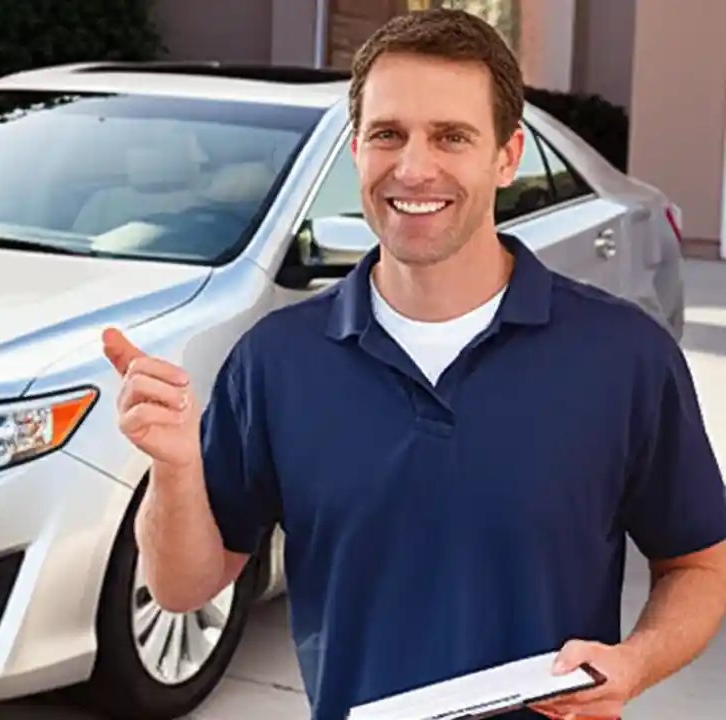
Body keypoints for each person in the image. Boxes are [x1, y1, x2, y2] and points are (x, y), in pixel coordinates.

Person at [101, 8, 726, 720]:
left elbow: (701, 565)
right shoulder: (279, 361)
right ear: (356, 150)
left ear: (506, 155)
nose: (414, 167)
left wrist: (634, 663)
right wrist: (174, 468)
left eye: (451, 137)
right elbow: (184, 589)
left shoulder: (623, 356)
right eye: (388, 135)